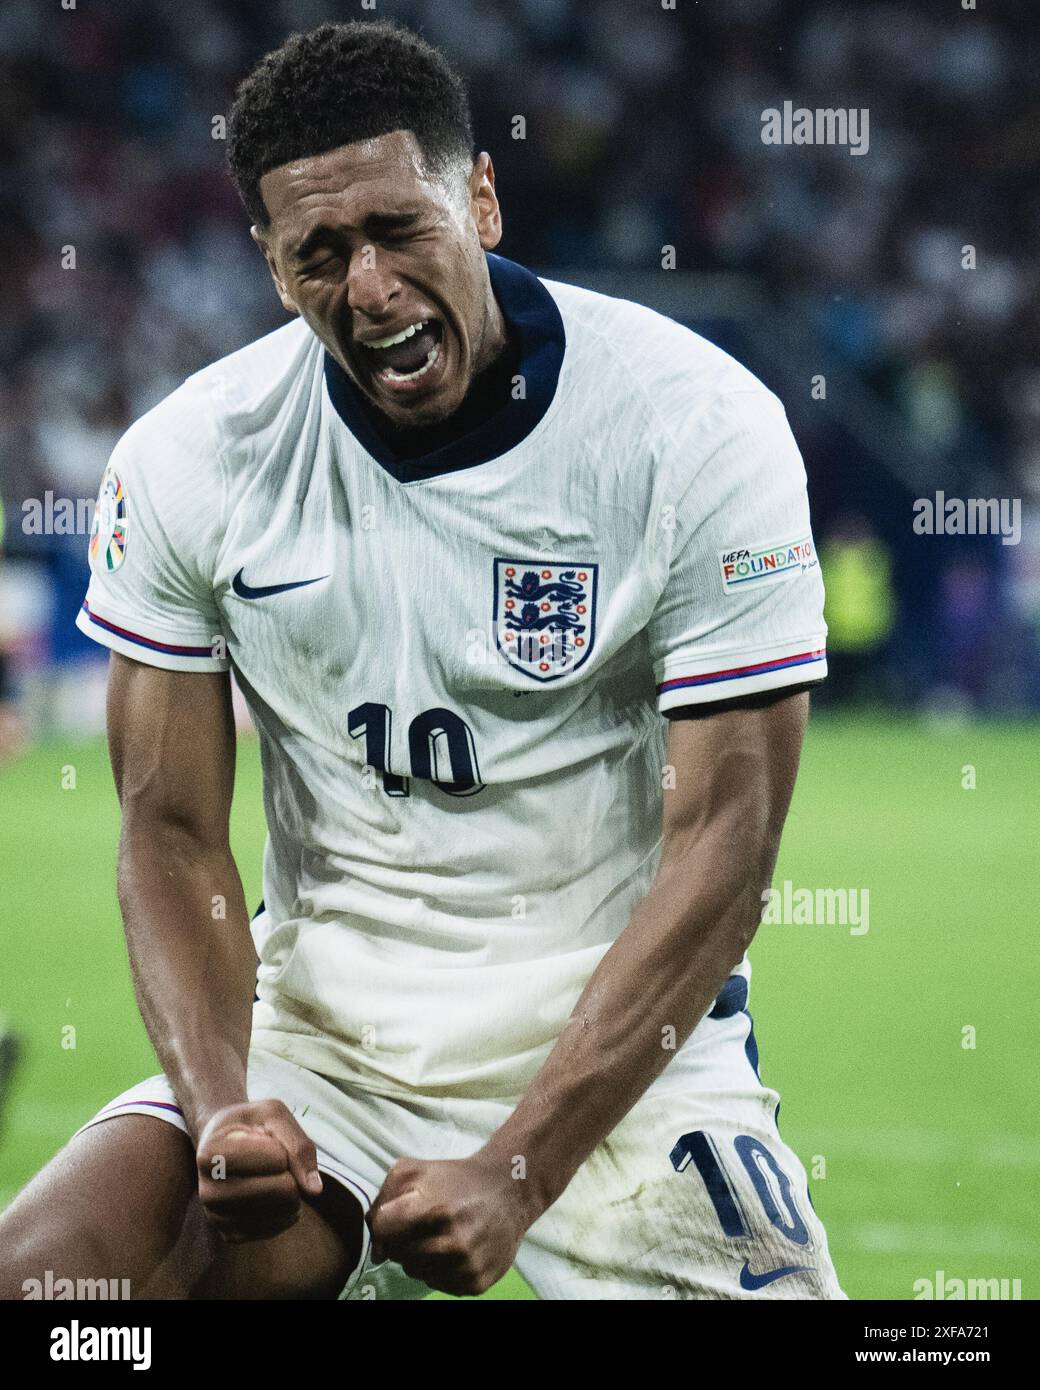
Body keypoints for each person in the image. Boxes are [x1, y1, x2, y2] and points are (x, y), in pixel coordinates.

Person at [0, 21, 841, 1300]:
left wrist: (517, 1167)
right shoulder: (190, 459)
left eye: (400, 228)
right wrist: (223, 1106)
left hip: (624, 1061)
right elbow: (167, 827)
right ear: (273, 268)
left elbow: (726, 840)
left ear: (481, 198)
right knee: (57, 1291)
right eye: (319, 253)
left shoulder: (695, 428)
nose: (372, 286)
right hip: (325, 1043)